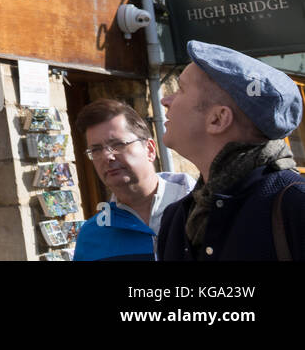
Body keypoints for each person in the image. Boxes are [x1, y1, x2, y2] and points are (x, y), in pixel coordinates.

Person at [156, 41, 305, 261]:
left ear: (218, 119)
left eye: (181, 89)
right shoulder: (176, 218)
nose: (165, 100)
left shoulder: (295, 205)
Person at [71, 99, 194, 260]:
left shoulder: (201, 208)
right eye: (96, 150)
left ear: (149, 149)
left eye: (118, 144)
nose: (107, 156)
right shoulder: (91, 235)